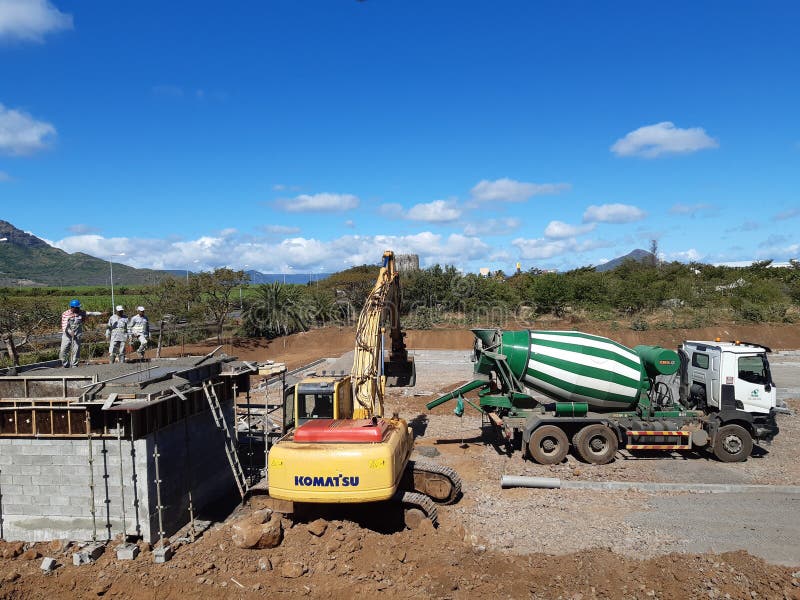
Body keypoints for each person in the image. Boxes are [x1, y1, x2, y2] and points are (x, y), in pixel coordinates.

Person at [59, 299, 101, 368]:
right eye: (77, 307)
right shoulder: (66, 314)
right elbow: (64, 326)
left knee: (76, 351)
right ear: (72, 307)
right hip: (67, 336)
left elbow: (91, 313)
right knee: (63, 352)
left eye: (79, 307)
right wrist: (70, 332)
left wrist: (101, 313)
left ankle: (74, 365)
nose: (79, 309)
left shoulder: (81, 312)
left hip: (77, 336)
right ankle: (66, 364)